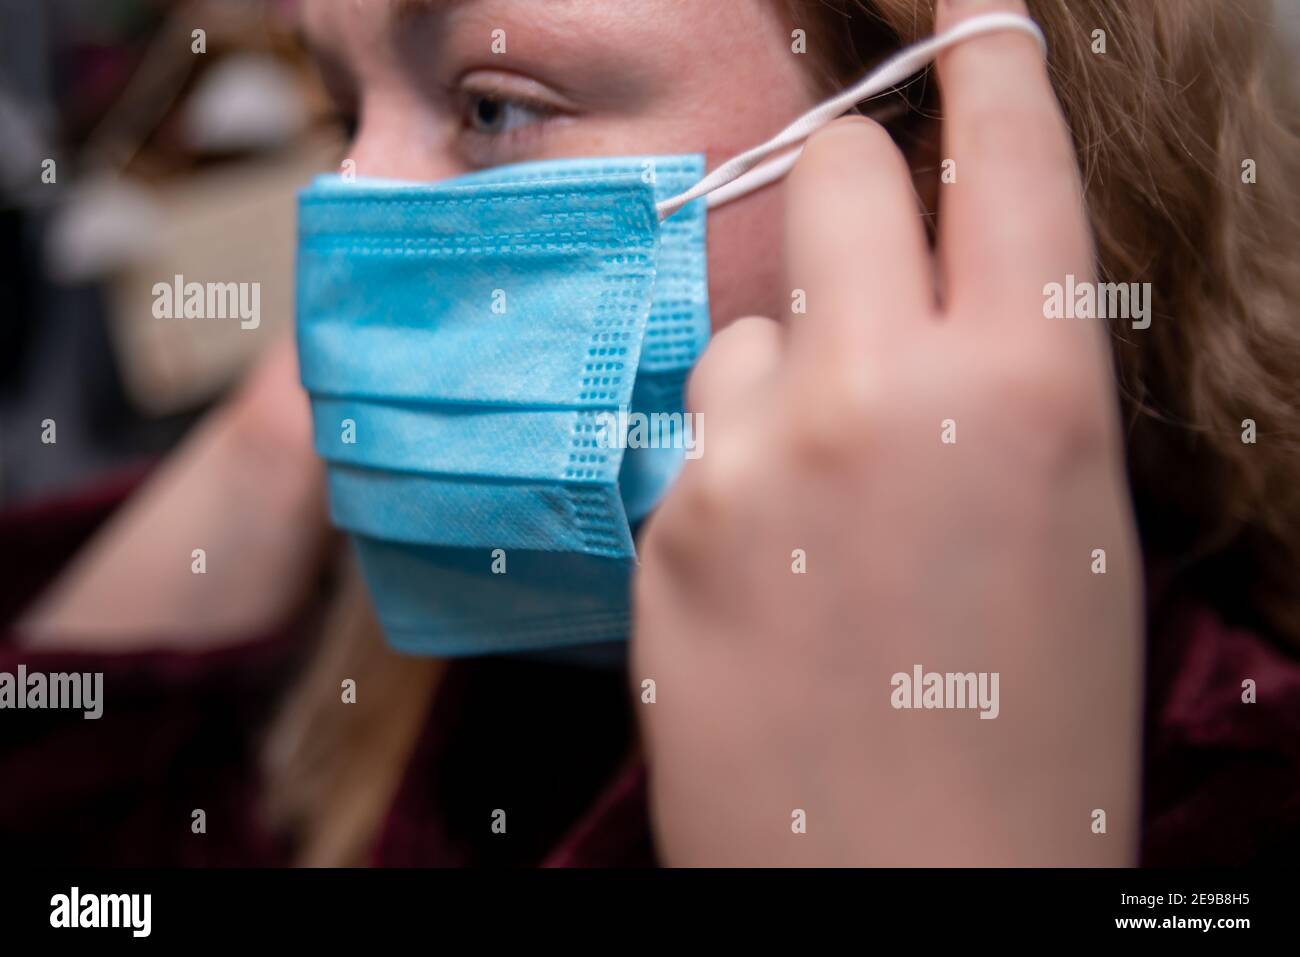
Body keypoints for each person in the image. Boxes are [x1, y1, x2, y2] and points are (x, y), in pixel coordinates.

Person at [4, 0, 1298, 866]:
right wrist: (278, 432)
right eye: (343, 114)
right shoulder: (442, 626)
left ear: (941, 158)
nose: (341, 222)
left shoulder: (1228, 773)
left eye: (494, 105)